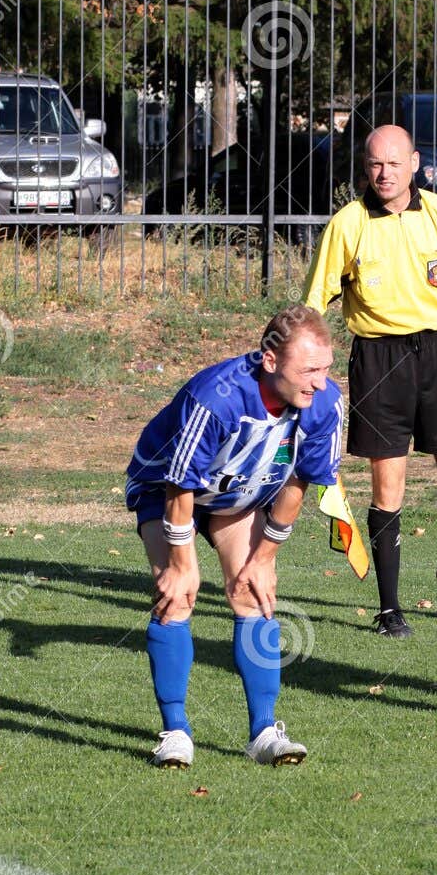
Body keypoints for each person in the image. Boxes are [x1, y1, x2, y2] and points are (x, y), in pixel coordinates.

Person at [302, 123, 437, 637]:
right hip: (379, 360)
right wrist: (307, 368)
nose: (384, 173)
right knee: (388, 486)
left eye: (394, 163)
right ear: (366, 166)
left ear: (415, 163)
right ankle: (389, 608)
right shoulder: (348, 224)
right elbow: (313, 305)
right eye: (375, 163)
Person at [124, 305, 342, 767]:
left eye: (325, 369)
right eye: (308, 370)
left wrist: (265, 557)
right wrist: (182, 565)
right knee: (178, 596)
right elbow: (180, 486)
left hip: (240, 493)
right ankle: (176, 733)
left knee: (252, 591)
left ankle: (264, 732)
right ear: (269, 361)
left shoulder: (324, 402)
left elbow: (298, 483)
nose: (319, 382)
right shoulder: (216, 397)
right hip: (168, 489)